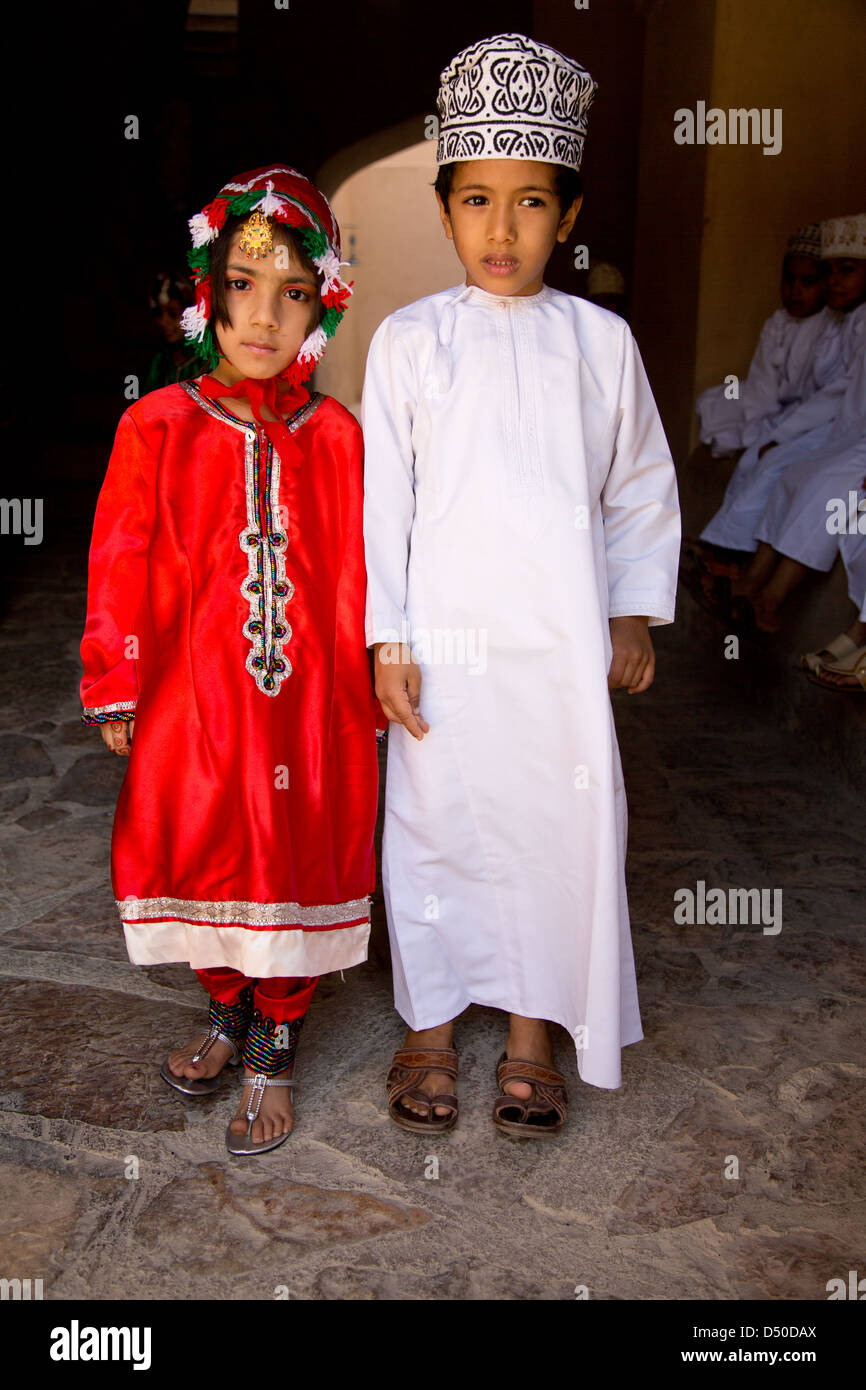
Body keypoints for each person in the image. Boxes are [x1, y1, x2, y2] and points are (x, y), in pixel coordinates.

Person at [362, 34, 680, 1137]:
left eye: (531, 202)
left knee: (559, 823)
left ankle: (537, 1025)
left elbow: (637, 482)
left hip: (552, 649)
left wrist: (628, 606)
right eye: (478, 200)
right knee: (435, 823)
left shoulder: (600, 346)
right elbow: (384, 510)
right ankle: (432, 1022)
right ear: (444, 209)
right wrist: (386, 635)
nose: (503, 231)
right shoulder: (409, 344)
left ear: (569, 213)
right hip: (443, 647)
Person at [80, 166, 380, 1155]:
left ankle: (275, 1039)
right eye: (243, 285)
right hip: (191, 702)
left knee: (287, 852)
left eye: (293, 292)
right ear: (206, 294)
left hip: (306, 707)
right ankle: (226, 1006)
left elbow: (362, 569)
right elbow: (119, 555)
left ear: (322, 306)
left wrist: (371, 677)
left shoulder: (337, 439)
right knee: (196, 839)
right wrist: (117, 672)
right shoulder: (155, 426)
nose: (264, 316)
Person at [726, 214, 866, 632]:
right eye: (829, 271)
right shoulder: (855, 321)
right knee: (795, 476)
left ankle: (770, 599)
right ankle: (749, 582)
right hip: (850, 437)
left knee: (826, 492)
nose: (834, 282)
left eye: (848, 269)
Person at [695, 224, 833, 459]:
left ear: (825, 283)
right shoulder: (777, 322)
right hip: (768, 400)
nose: (795, 290)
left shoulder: (830, 326)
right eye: (789, 280)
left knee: (782, 425)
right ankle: (754, 432)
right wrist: (759, 418)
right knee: (709, 402)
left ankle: (754, 435)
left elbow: (819, 395)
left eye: (807, 282)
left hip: (803, 408)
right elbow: (762, 383)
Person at [143, 269, 207, 391]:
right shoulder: (160, 363)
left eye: (173, 314)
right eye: (158, 314)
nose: (163, 322)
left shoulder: (207, 362)